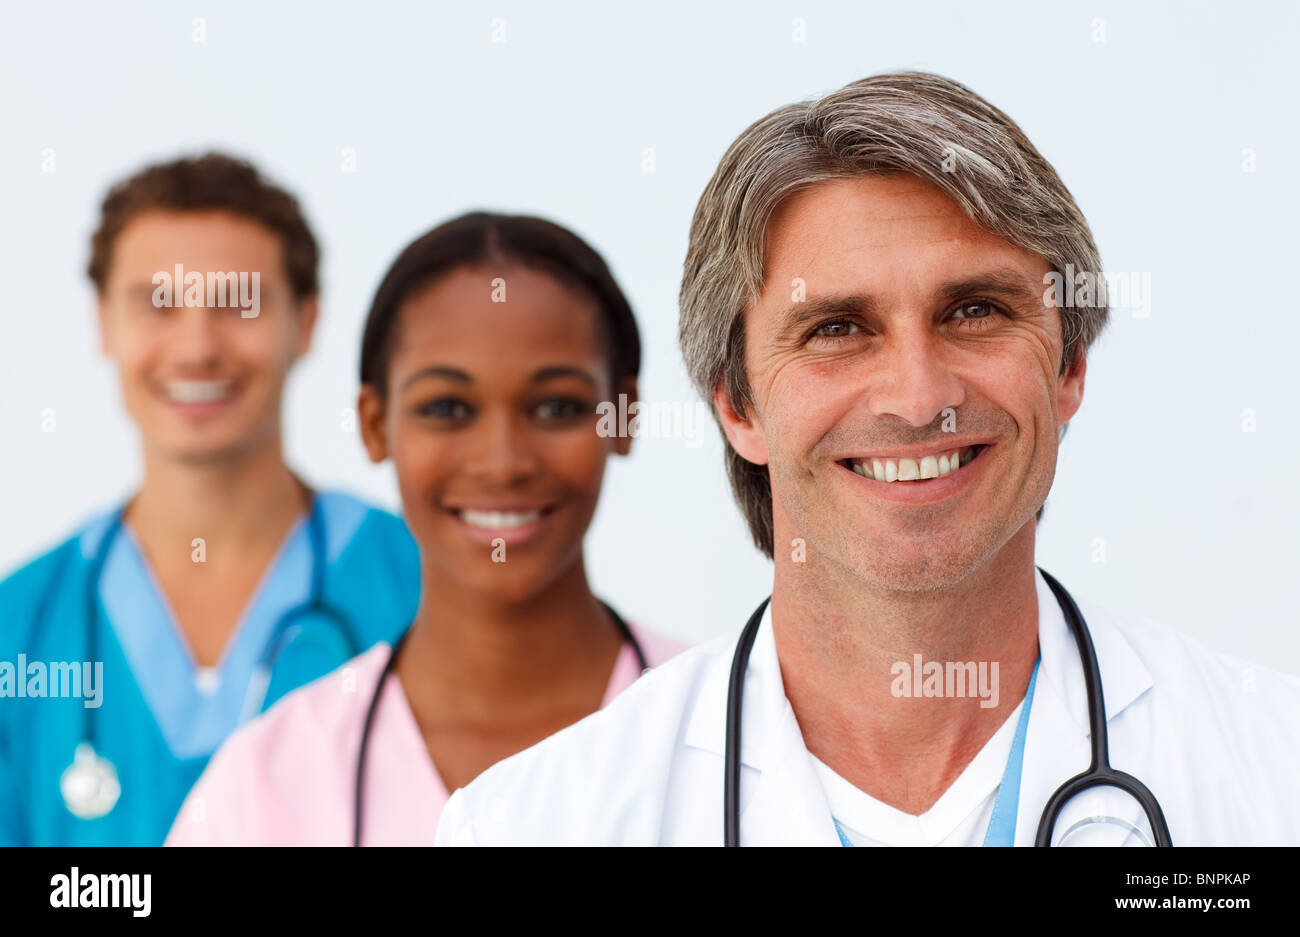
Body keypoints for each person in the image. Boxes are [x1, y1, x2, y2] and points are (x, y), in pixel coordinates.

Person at [434, 73, 1300, 847]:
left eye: (974, 310)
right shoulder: (532, 825)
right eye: (837, 329)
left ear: (1069, 364)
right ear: (737, 405)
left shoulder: (1273, 774)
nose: (918, 398)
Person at [166, 212, 684, 846]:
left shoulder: (732, 729)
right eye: (446, 409)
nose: (502, 462)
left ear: (623, 417)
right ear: (375, 424)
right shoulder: (267, 782)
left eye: (557, 407)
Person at [0, 154, 420, 846]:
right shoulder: (21, 629)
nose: (197, 347)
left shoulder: (425, 589)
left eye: (239, 304)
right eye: (158, 304)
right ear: (104, 322)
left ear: (306, 320)